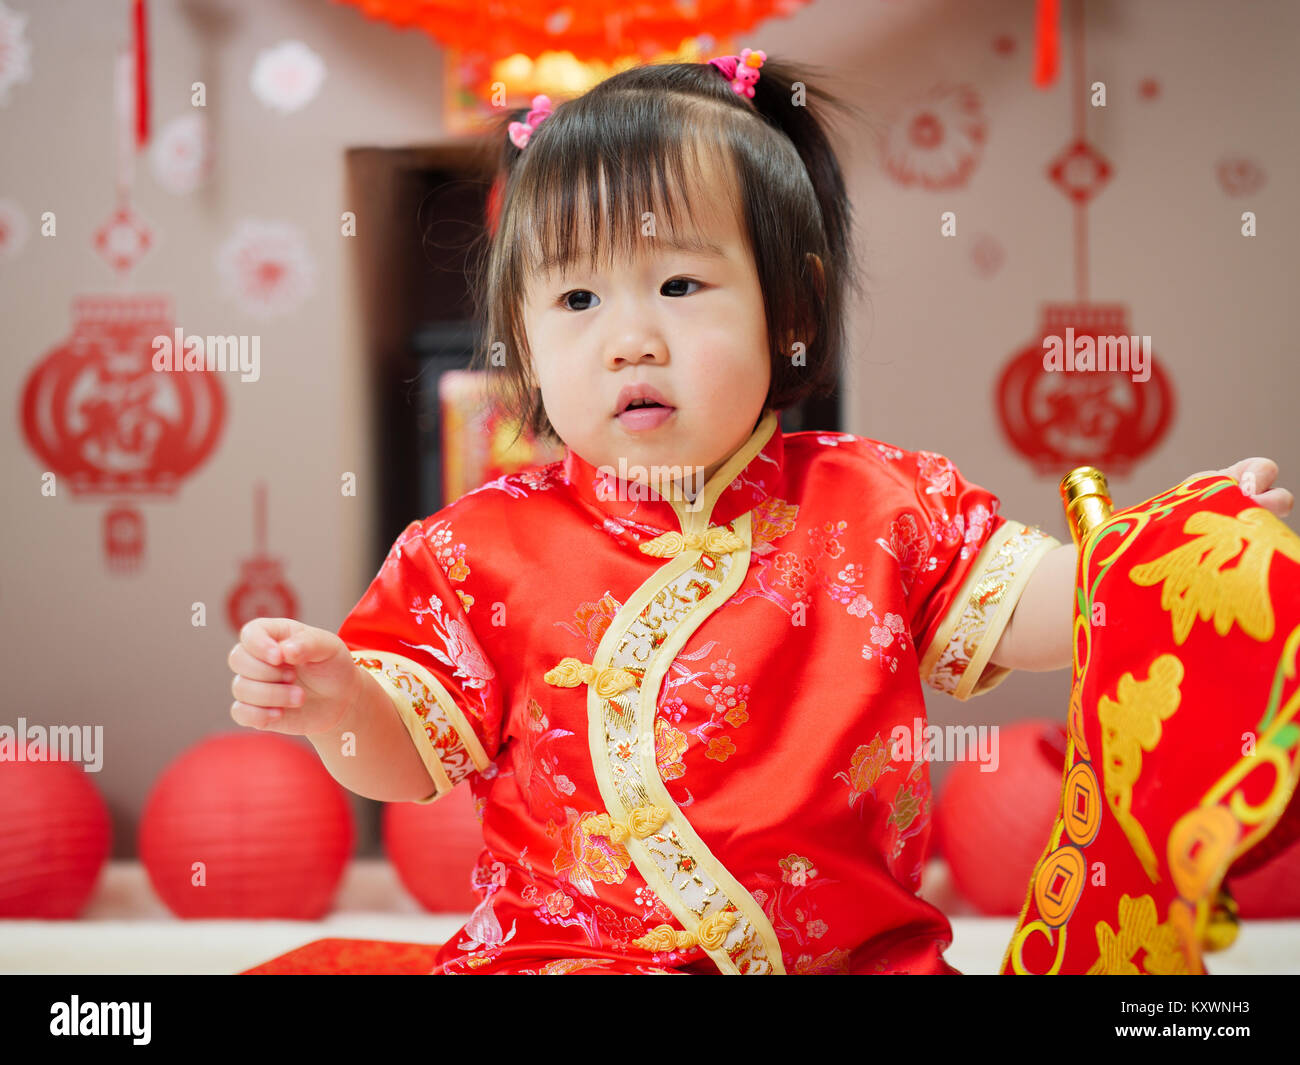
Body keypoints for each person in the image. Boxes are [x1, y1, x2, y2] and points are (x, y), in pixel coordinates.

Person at [227, 50, 1292, 974]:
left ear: (790, 310)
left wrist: (1178, 552)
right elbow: (410, 762)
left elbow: (1053, 602)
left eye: (680, 287)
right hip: (572, 959)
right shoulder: (474, 548)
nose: (629, 338)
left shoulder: (877, 502)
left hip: (854, 961)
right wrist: (335, 706)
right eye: (577, 300)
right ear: (522, 338)